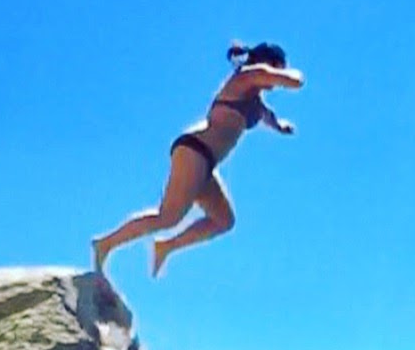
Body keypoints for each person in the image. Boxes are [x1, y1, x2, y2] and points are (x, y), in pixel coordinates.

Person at [92, 41, 305, 277]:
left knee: (223, 220)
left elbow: (267, 115)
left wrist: (280, 127)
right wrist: (291, 74)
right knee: (168, 217)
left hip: (206, 162)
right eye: (279, 68)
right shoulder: (249, 75)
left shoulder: (255, 100)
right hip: (195, 148)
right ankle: (104, 244)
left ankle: (166, 246)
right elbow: (295, 82)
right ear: (271, 64)